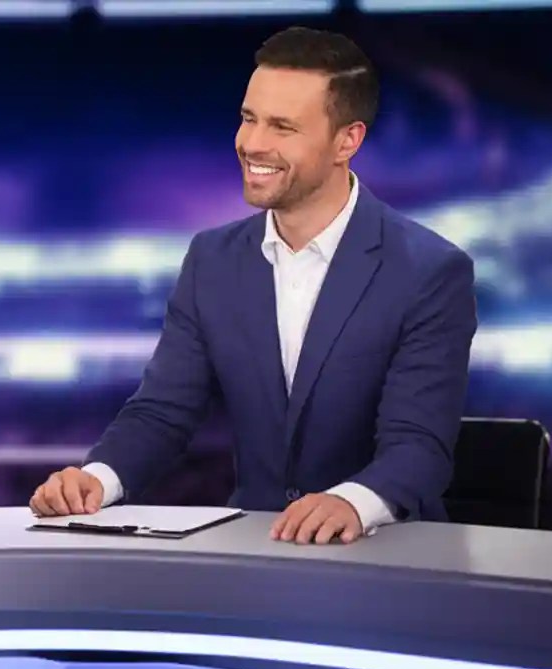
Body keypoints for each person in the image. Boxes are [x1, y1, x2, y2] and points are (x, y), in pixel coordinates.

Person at [29, 27, 477, 544]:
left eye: (282, 127)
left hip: (389, 557)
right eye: (249, 118)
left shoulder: (429, 271)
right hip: (258, 551)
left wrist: (351, 503)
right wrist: (96, 479)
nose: (252, 144)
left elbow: (419, 446)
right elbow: (163, 411)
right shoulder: (212, 260)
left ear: (347, 141)